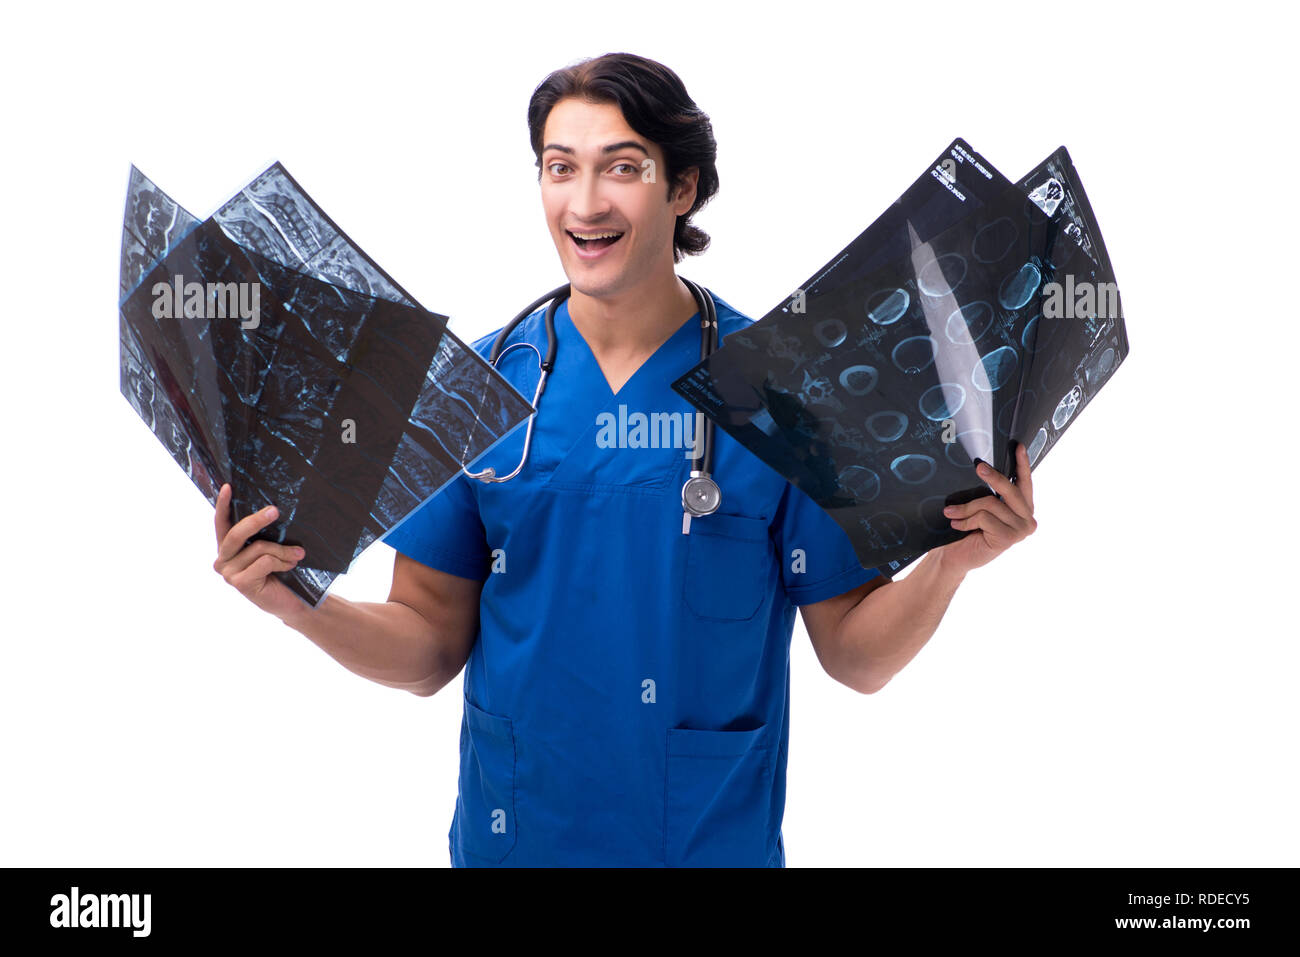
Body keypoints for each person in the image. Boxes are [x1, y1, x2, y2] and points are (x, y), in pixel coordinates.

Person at [211, 52, 1038, 867]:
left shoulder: (780, 392)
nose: (585, 202)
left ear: (682, 189)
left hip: (705, 848)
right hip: (517, 841)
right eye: (559, 168)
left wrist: (948, 565)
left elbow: (854, 655)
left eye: (622, 168)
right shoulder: (477, 390)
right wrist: (300, 606)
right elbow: (427, 642)